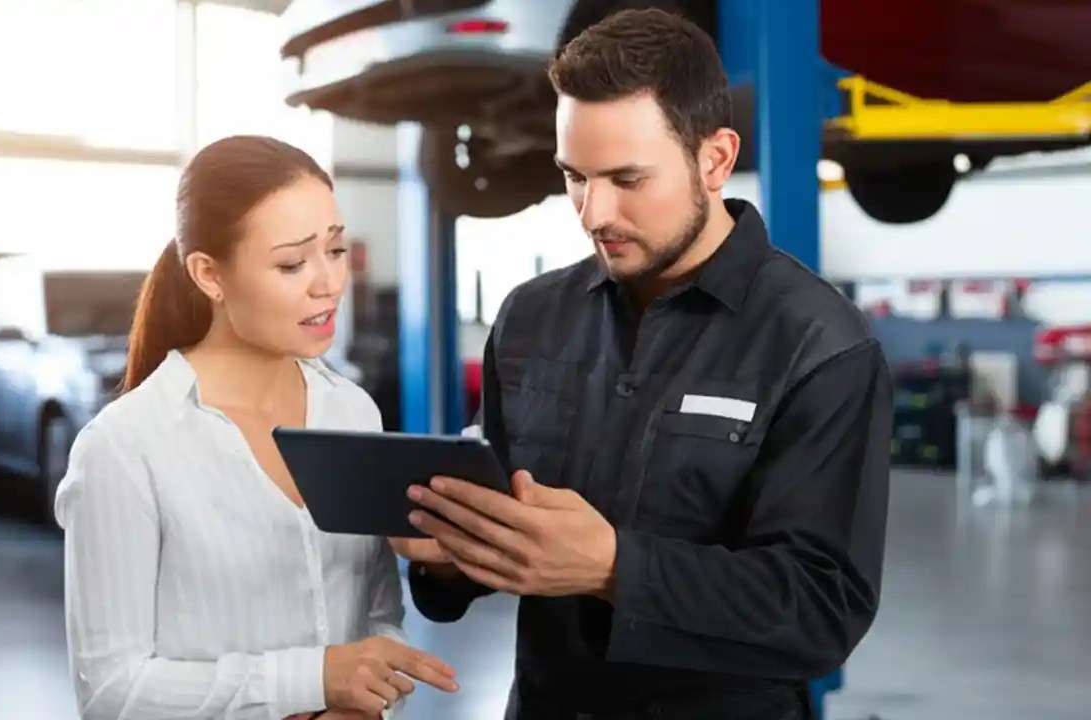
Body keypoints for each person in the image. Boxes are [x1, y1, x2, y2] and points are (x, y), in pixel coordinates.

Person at [391, 9, 893, 720]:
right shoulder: (531, 317)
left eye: (628, 178)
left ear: (715, 159)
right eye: (574, 176)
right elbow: (504, 516)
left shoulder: (817, 344)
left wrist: (615, 568)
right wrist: (447, 555)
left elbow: (820, 610)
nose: (594, 212)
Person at [55, 136, 458, 720]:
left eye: (336, 250)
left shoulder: (352, 412)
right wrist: (312, 680)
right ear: (209, 275)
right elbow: (112, 691)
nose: (327, 283)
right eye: (292, 263)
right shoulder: (124, 447)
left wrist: (363, 702)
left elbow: (376, 618)